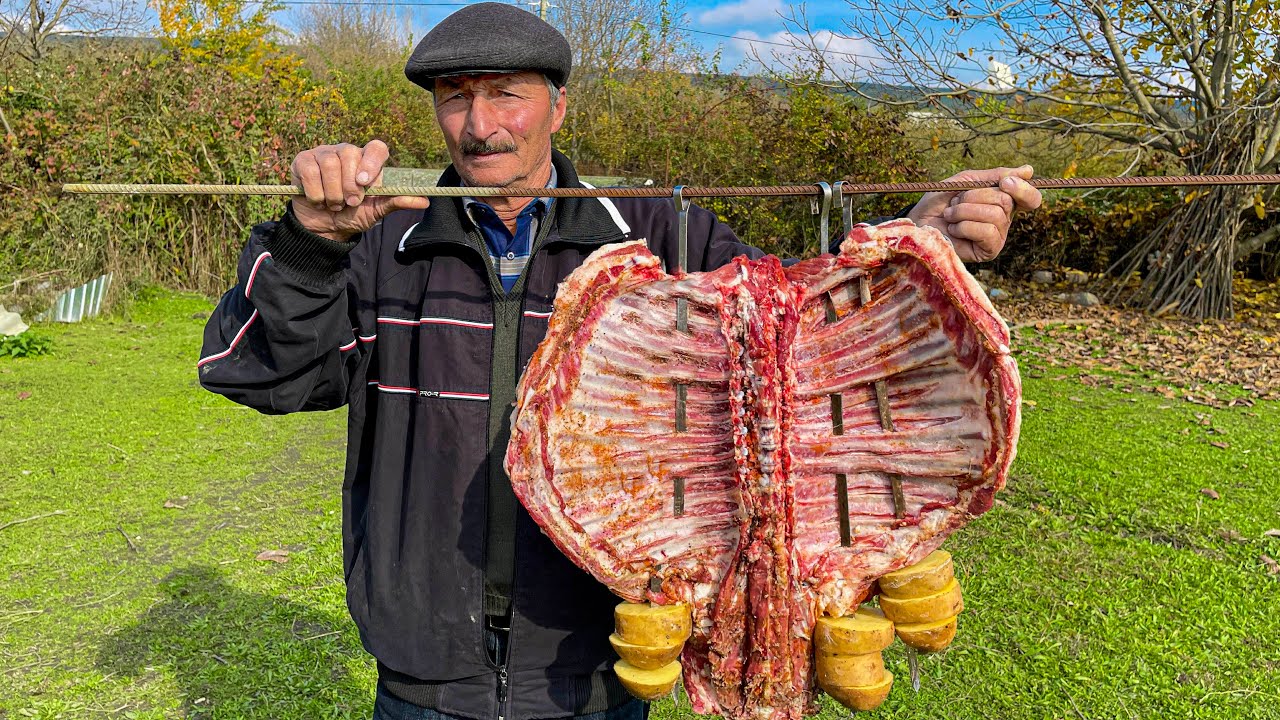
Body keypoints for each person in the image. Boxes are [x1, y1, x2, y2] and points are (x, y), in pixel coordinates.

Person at [198, 4, 1042, 719]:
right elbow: (258, 374)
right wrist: (308, 247)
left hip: (598, 666)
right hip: (425, 669)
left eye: (506, 93)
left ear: (558, 107)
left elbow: (802, 331)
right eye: (456, 98)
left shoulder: (662, 237)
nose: (480, 125)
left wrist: (916, 241)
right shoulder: (384, 246)